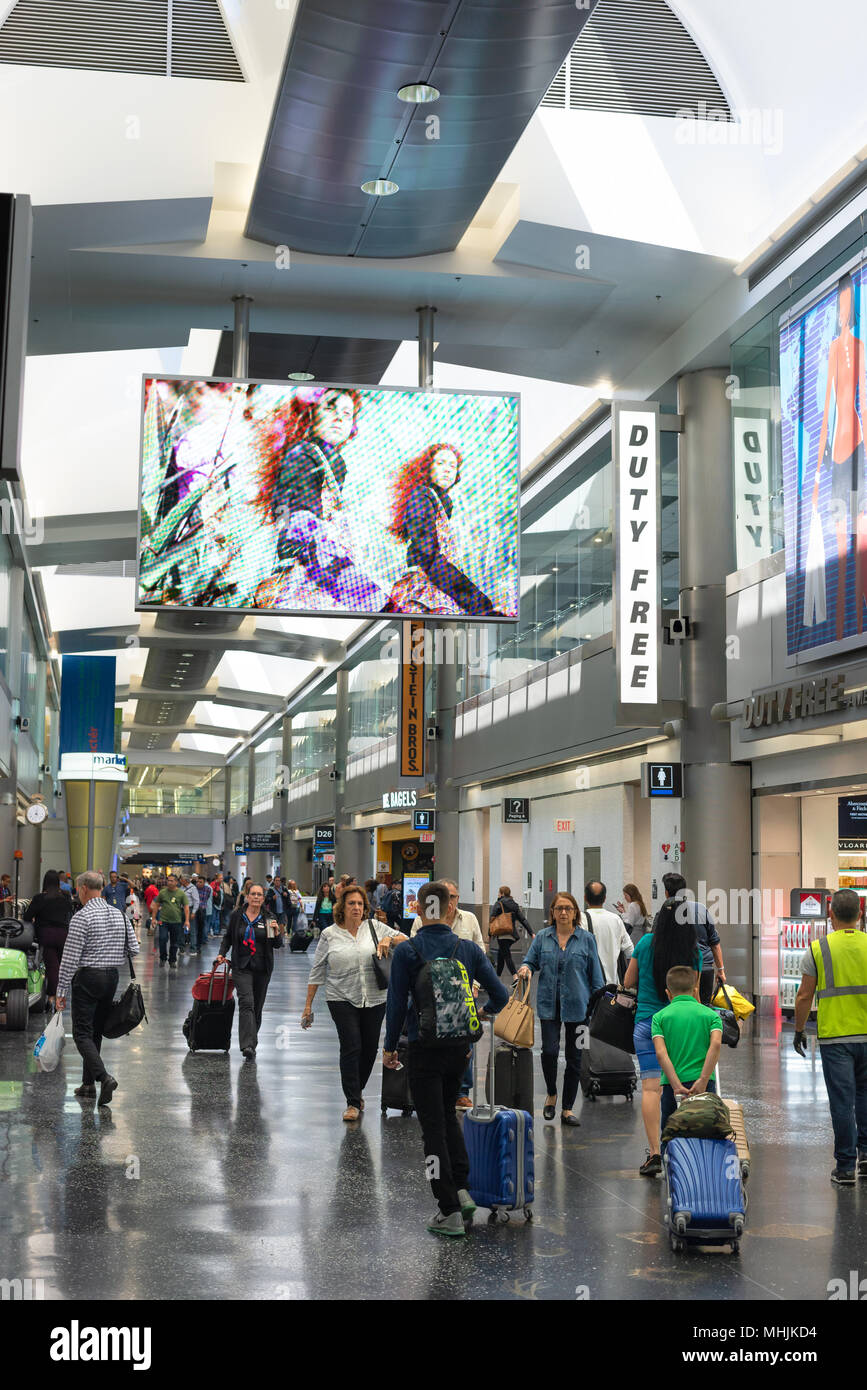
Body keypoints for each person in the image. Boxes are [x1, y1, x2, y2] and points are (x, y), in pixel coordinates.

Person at [383, 880, 509, 1237]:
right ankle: (462, 1188)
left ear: (419, 910)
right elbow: (500, 995)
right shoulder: (466, 948)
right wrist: (478, 1016)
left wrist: (391, 1047)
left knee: (432, 1128)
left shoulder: (408, 951)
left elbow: (395, 1006)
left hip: (423, 1051)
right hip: (459, 1050)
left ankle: (447, 1209)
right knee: (451, 1118)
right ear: (451, 909)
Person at [254, 386, 389, 612]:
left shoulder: (334, 463)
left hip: (318, 576)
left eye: (347, 414)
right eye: (330, 408)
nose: (339, 418)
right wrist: (367, 595)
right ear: (311, 414)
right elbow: (297, 523)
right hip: (305, 576)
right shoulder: (303, 454)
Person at [302, 886, 407, 1119]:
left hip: (375, 997)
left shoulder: (375, 927)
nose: (357, 908)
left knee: (369, 1048)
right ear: (343, 907)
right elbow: (318, 970)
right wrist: (308, 1006)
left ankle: (356, 1089)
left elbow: (407, 939)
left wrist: (389, 939)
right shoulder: (330, 934)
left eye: (360, 904)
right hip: (341, 997)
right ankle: (352, 1102)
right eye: (352, 904)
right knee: (351, 1046)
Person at [622, 897, 704, 1176]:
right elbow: (697, 995)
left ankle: (656, 1153)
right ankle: (687, 1150)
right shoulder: (694, 952)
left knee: (650, 1089)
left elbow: (627, 982)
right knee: (685, 1084)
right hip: (684, 1026)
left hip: (648, 1022)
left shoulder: (645, 944)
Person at [794, 887, 867, 1184]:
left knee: (842, 1101)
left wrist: (799, 1030)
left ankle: (847, 1166)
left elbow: (803, 996)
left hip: (835, 1037)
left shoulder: (818, 948)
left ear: (831, 914)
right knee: (865, 1096)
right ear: (860, 915)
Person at [810, 272, 867, 639]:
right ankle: (844, 625)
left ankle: (860, 622)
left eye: (849, 300)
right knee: (840, 550)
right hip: (838, 456)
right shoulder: (832, 349)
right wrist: (817, 472)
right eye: (840, 301)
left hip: (858, 446)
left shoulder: (861, 345)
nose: (844, 307)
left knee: (860, 544)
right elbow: (827, 414)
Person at [518, 892, 604, 1127]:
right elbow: (530, 961)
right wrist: (525, 968)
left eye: (568, 908)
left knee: (575, 1058)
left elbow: (596, 976)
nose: (563, 912)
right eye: (559, 909)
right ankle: (552, 1093)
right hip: (548, 1005)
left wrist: (597, 1007)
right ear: (552, 913)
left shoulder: (587, 939)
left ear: (576, 912)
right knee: (549, 1052)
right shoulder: (543, 938)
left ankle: (567, 1108)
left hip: (580, 1007)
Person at [55, 870, 139, 1107]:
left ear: (82, 889)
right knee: (95, 1031)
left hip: (87, 978)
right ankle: (88, 1085)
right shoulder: (119, 914)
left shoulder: (81, 918)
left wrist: (61, 991)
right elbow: (134, 949)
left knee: (82, 1033)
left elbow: (70, 959)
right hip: (111, 977)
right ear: (101, 888)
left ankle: (103, 1077)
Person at [387, 443, 500, 617]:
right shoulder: (422, 495)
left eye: (452, 466)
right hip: (423, 590)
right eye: (440, 463)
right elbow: (428, 555)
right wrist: (478, 602)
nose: (447, 469)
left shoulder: (442, 503)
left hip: (436, 588)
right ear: (427, 468)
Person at [410, 879, 484, 1109]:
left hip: (462, 993)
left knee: (464, 1041)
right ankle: (436, 1087)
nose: (450, 901)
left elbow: (479, 950)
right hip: (430, 995)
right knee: (431, 1037)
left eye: (453, 897)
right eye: (446, 897)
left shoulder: (469, 920)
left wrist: (475, 984)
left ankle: (462, 1090)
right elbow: (414, 950)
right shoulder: (420, 922)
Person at [652, 966, 723, 1134]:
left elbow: (661, 1054)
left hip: (672, 1086)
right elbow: (716, 1044)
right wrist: (703, 1080)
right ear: (695, 990)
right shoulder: (711, 1015)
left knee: (671, 1134)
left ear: (668, 993)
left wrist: (676, 1085)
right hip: (704, 1085)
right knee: (707, 1133)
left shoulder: (659, 1017)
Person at [216, 883, 283, 1059]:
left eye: (259, 895)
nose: (255, 897)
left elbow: (277, 945)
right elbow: (228, 937)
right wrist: (221, 954)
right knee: (247, 1003)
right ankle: (247, 1045)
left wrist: (277, 933)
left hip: (262, 968)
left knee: (257, 1007)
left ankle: (252, 1041)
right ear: (247, 896)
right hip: (241, 966)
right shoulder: (237, 916)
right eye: (253, 894)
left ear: (263, 898)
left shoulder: (268, 917)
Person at [658, 872, 726, 1006]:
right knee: (703, 1009)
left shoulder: (663, 913)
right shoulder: (700, 909)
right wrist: (721, 970)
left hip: (675, 972)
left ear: (666, 893)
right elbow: (714, 943)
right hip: (704, 967)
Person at [23, 869, 75, 1008]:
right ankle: (59, 995)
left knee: (52, 967)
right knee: (60, 967)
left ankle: (51, 997)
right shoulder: (65, 896)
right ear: (58, 882)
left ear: (45, 882)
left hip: (46, 935)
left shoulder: (39, 898)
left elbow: (27, 917)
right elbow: (70, 912)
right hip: (63, 935)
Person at [582, 880, 634, 986]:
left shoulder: (580, 920)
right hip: (612, 986)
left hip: (587, 986)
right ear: (604, 898)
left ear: (585, 898)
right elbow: (630, 951)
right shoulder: (616, 919)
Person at [489, 884, 533, 978]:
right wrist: (531, 933)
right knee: (501, 954)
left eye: (499, 893)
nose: (498, 894)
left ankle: (514, 976)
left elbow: (492, 919)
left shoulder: (499, 903)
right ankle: (497, 977)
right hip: (512, 935)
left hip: (502, 934)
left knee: (507, 955)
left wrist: (489, 934)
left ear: (502, 893)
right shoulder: (514, 905)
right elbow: (523, 920)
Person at [151, 873, 190, 967]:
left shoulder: (181, 893)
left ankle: (172, 960)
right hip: (163, 921)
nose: (169, 882)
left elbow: (186, 907)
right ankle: (163, 958)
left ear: (176, 882)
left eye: (172, 880)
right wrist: (153, 918)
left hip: (176, 921)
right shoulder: (163, 892)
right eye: (168, 880)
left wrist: (187, 921)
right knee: (162, 938)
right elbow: (156, 905)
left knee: (174, 942)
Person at [181, 875, 200, 954]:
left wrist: (194, 912)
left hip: (190, 909)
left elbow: (196, 901)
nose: (180, 881)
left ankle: (193, 949)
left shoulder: (193, 889)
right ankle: (181, 948)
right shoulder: (181, 888)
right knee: (181, 929)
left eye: (181, 880)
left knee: (192, 930)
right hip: (181, 910)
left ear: (186, 880)